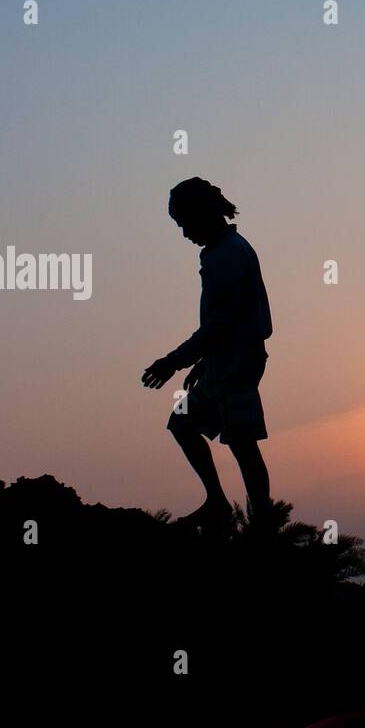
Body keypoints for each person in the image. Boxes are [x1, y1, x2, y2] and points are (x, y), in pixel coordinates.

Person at [141, 177, 273, 529]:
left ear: (205, 213)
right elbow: (224, 323)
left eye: (186, 223)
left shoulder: (228, 254)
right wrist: (203, 360)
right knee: (183, 423)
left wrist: (173, 361)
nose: (185, 233)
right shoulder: (220, 251)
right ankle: (218, 501)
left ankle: (263, 524)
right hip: (223, 361)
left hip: (238, 363)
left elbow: (222, 324)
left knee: (243, 443)